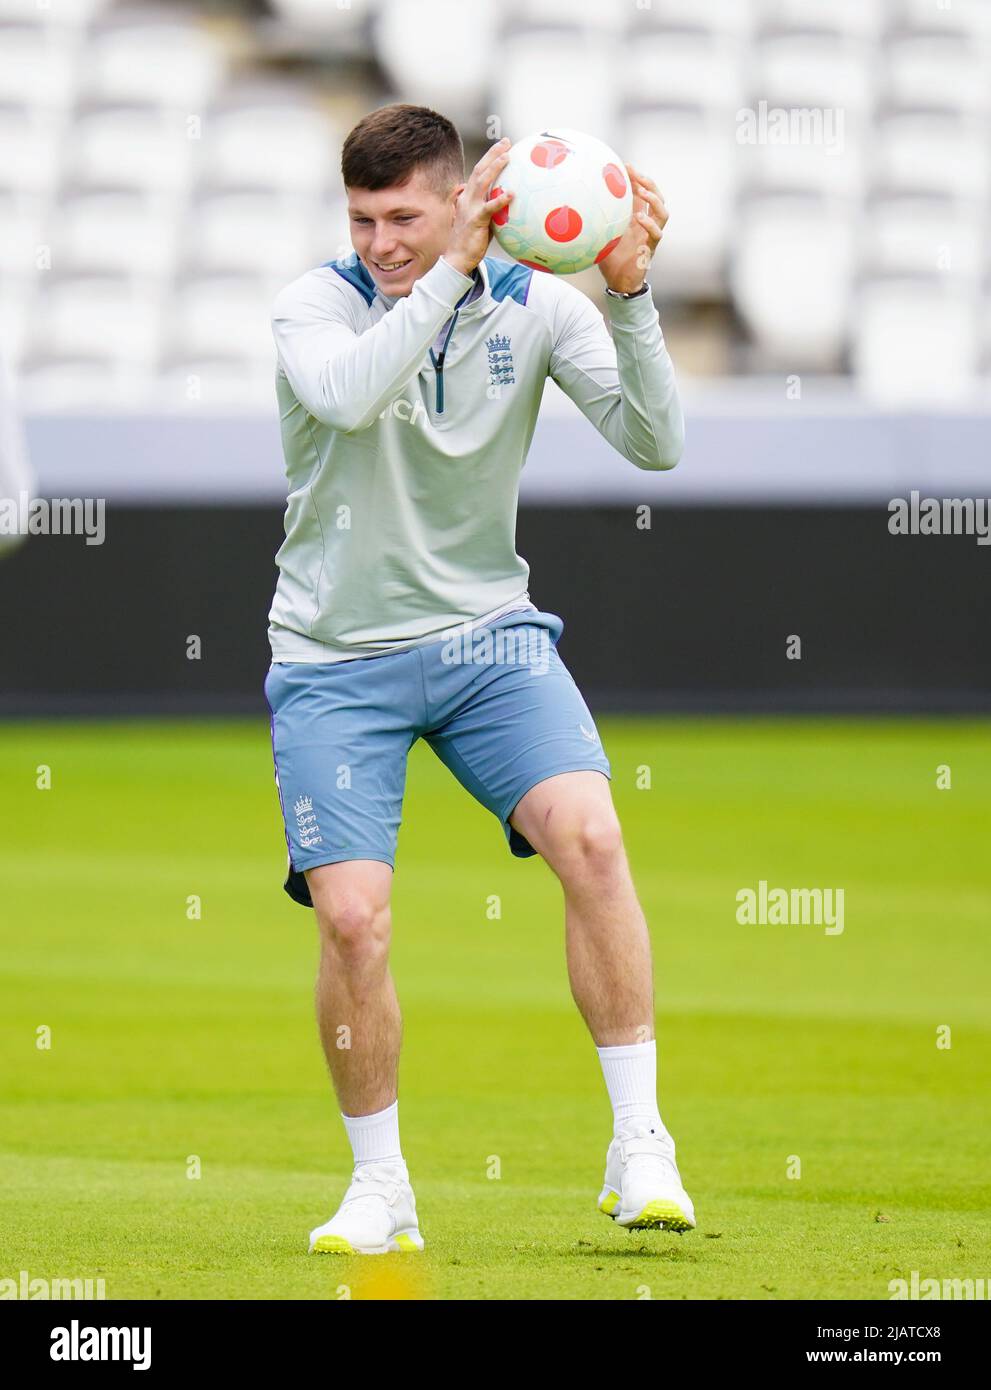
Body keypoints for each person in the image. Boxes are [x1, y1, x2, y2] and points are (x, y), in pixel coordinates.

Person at [263, 104, 693, 1255]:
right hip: (335, 658)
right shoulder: (313, 306)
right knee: (353, 921)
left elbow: (656, 445)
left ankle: (640, 1143)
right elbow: (352, 395)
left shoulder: (540, 305)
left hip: (487, 638)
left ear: (463, 201)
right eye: (362, 218)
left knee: (592, 841)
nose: (379, 242)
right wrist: (448, 276)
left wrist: (632, 298)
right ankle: (380, 1187)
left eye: (404, 216)